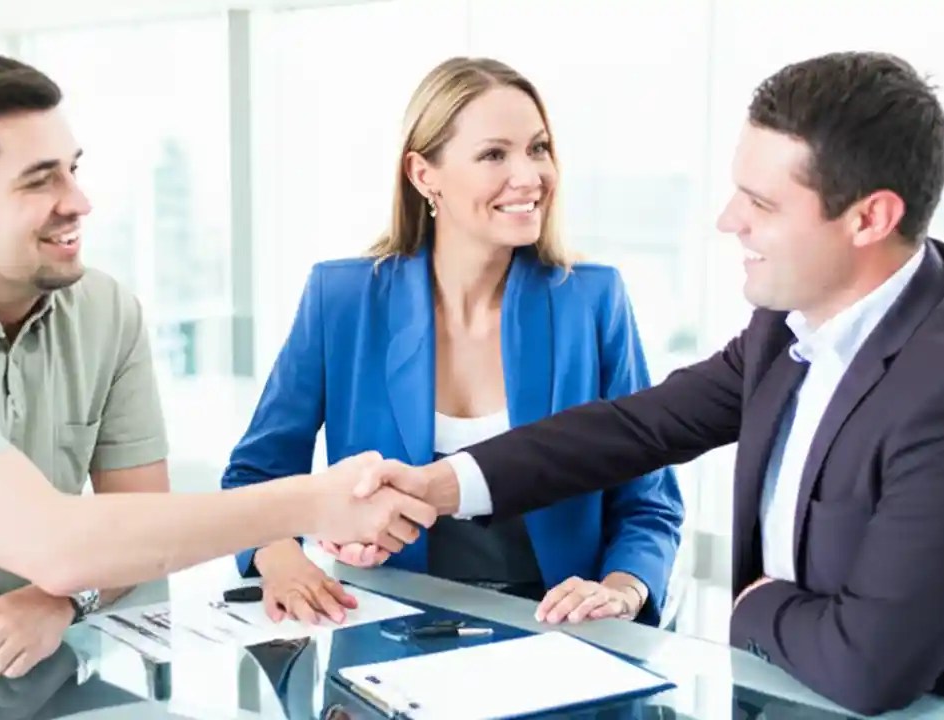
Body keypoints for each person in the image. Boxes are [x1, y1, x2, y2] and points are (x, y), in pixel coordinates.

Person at [355, 51, 944, 717]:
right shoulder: (787, 327)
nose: (727, 220)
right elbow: (635, 428)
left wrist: (752, 604)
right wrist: (441, 485)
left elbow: (871, 669)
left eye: (762, 204)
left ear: (870, 218)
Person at [0, 51, 434, 681]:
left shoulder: (105, 310)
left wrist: (60, 598)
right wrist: (315, 501)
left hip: (19, 676)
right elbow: (60, 542)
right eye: (38, 179)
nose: (78, 200)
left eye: (73, 169)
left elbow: (140, 537)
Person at [221, 57, 683, 628]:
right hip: (383, 630)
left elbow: (650, 503)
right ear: (423, 175)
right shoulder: (341, 298)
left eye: (538, 149)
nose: (529, 175)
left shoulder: (593, 301)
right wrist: (285, 562)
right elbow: (257, 475)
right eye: (495, 154)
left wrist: (619, 590)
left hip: (561, 635)